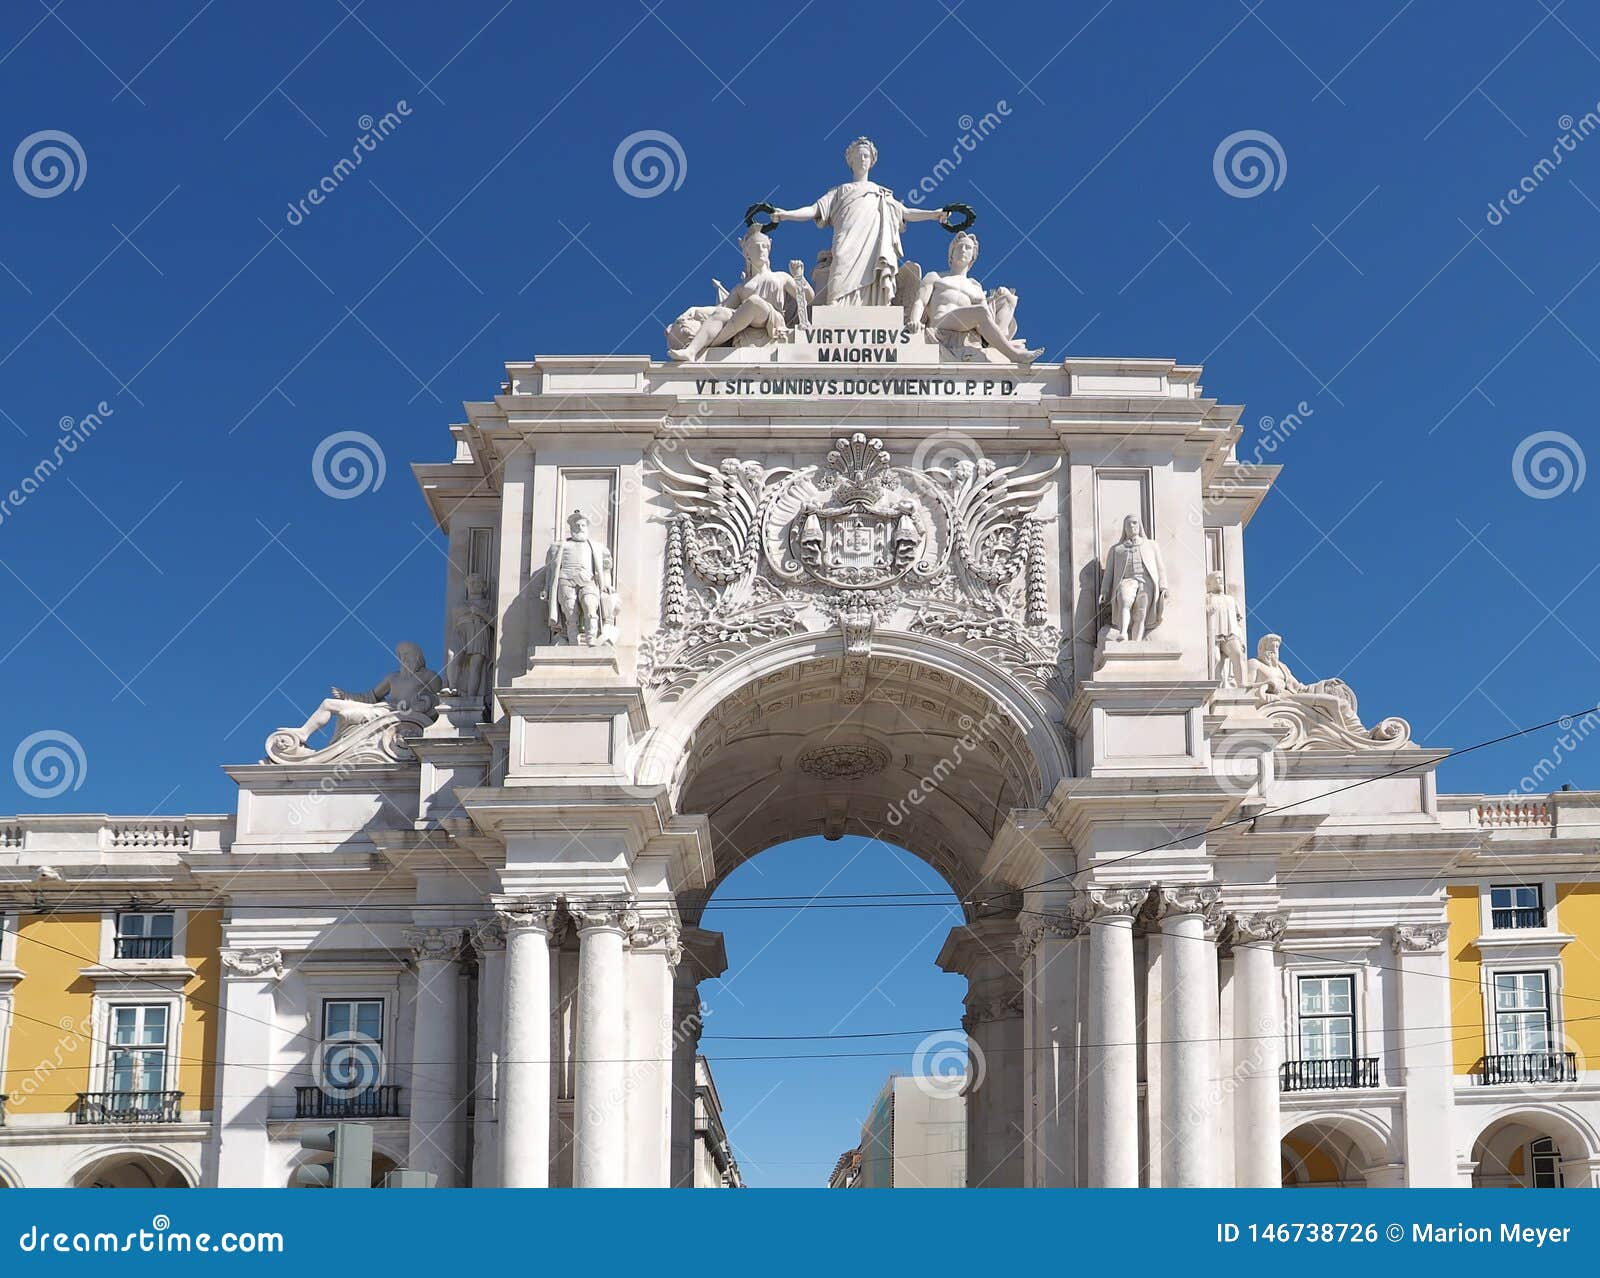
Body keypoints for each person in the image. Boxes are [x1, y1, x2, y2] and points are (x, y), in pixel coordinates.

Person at [768, 137, 948, 306]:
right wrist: (786, 214)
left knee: (872, 273)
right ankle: (836, 309)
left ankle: (871, 310)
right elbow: (813, 209)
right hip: (846, 242)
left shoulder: (881, 193)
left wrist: (933, 214)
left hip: (873, 245)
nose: (863, 159)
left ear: (872, 161)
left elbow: (906, 212)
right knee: (839, 270)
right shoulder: (840, 191)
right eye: (859, 155)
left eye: (866, 156)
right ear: (851, 160)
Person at [666, 227, 807, 360]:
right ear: (747, 253)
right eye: (756, 246)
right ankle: (691, 351)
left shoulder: (781, 276)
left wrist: (799, 277)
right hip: (746, 318)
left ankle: (713, 343)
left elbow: (808, 297)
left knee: (753, 302)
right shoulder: (741, 287)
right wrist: (695, 309)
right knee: (722, 313)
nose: (761, 250)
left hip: (772, 318)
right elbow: (720, 308)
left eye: (765, 246)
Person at [907, 231, 1043, 363]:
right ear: (951, 253)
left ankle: (998, 346)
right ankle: (1014, 354)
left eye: (968, 248)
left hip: (966, 324)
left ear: (973, 256)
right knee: (980, 311)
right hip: (941, 322)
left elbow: (985, 317)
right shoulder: (935, 276)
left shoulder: (975, 286)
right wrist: (914, 320)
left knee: (1008, 299)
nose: (963, 250)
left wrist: (999, 297)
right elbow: (920, 301)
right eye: (959, 247)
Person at [288, 642, 442, 745]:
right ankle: (303, 733)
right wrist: (346, 696)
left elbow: (439, 700)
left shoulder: (429, 676)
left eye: (407, 654)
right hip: (382, 709)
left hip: (397, 714)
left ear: (418, 656)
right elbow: (371, 696)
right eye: (401, 656)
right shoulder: (393, 677)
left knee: (343, 714)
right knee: (328, 703)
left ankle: (333, 747)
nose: (403, 659)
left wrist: (421, 706)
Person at [544, 510, 616, 645]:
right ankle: (572, 641)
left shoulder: (598, 547)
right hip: (566, 581)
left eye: (582, 525)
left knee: (590, 606)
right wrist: (546, 588)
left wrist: (606, 583)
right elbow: (551, 570)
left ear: (587, 527)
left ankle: (591, 638)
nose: (580, 528)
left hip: (588, 581)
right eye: (577, 525)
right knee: (571, 613)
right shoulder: (559, 547)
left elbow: (606, 569)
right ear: (571, 528)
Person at [1098, 515, 1166, 642]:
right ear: (1124, 528)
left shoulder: (1151, 545)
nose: (1132, 526)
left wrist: (1163, 585)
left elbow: (1160, 567)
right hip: (1127, 581)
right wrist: (1104, 590)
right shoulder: (1117, 549)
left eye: (1134, 523)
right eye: (1128, 524)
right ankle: (1123, 633)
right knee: (1125, 601)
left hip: (1146, 583)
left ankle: (1136, 641)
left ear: (1139, 525)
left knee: (1141, 613)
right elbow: (1109, 572)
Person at [449, 573, 494, 703]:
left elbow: (495, 624)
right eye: (471, 583)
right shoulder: (460, 605)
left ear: (484, 587)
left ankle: (471, 697)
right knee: (452, 655)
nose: (475, 586)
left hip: (479, 630)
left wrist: (480, 613)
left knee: (476, 664)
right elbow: (453, 624)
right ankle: (452, 687)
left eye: (478, 583)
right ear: (467, 586)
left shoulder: (488, 604)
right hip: (461, 631)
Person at [1205, 571, 1247, 687]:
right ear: (1210, 583)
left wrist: (1241, 638)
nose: (1220, 581)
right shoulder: (1208, 598)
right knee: (1216, 659)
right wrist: (1207, 609)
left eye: (1221, 578)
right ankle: (1217, 687)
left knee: (1237, 653)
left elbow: (1238, 621)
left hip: (1231, 633)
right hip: (1214, 634)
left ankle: (1241, 683)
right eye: (1217, 578)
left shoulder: (1230, 599)